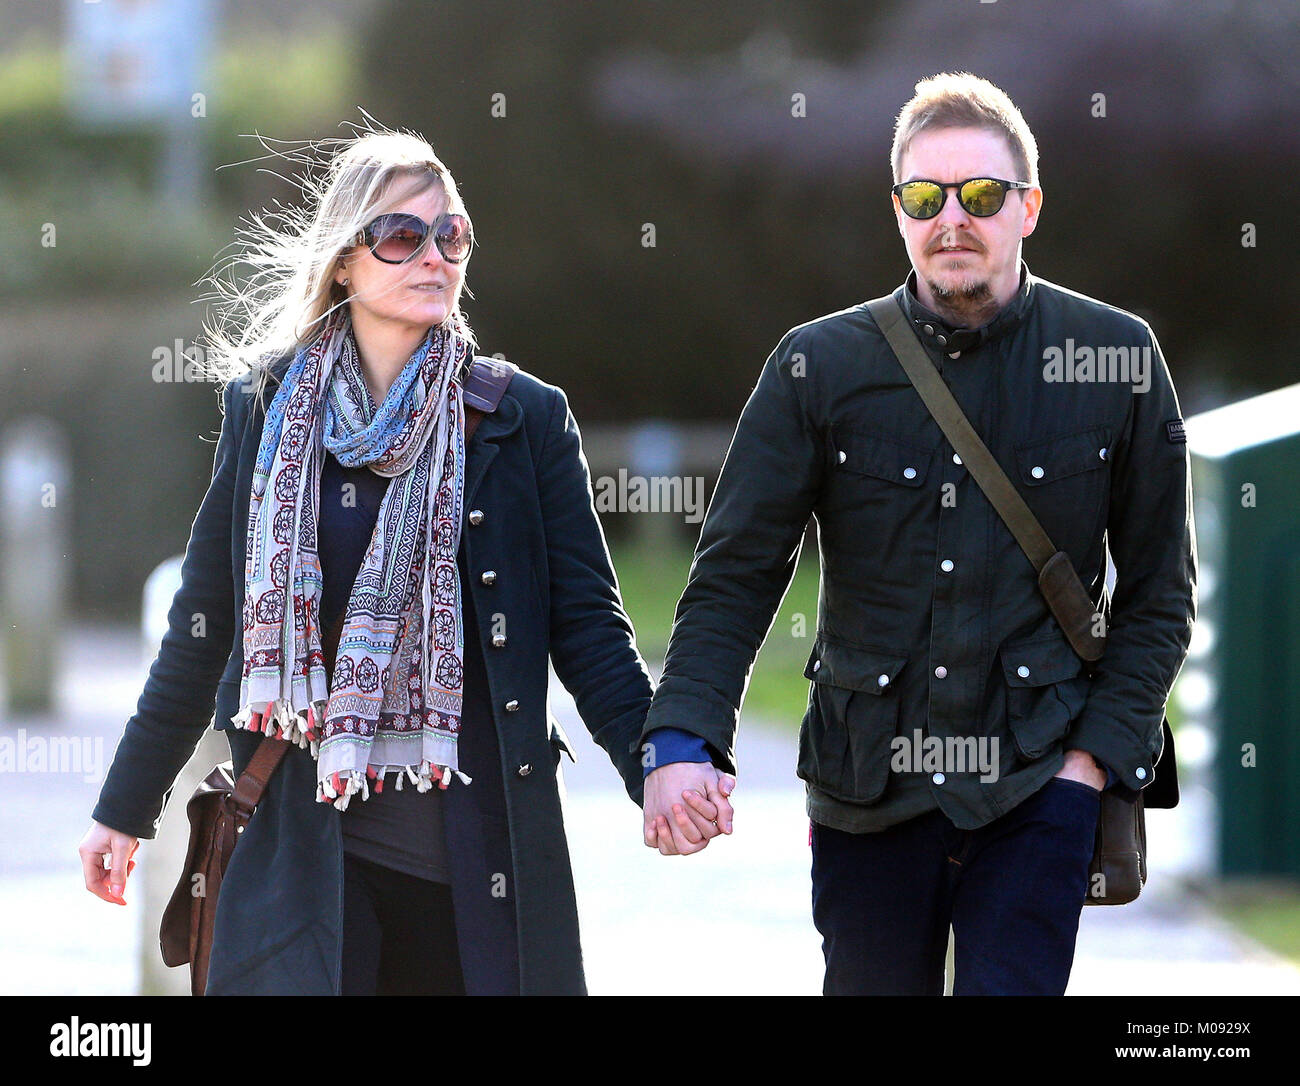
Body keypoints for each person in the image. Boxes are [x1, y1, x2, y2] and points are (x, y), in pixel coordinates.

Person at [638, 72, 1197, 995]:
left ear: (1029, 208)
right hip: (868, 789)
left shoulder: (1118, 358)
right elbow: (735, 576)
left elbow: (1160, 594)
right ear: (897, 209)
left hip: (1037, 781)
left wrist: (1092, 764)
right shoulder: (817, 365)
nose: (953, 219)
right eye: (925, 197)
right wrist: (682, 741)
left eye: (981, 195)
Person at [79, 125, 654, 995]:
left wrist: (663, 767)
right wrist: (124, 810)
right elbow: (205, 627)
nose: (433, 256)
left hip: (472, 860)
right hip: (308, 858)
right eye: (401, 235)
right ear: (345, 260)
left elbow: (588, 629)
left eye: (451, 235)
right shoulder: (268, 410)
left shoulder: (521, 418)